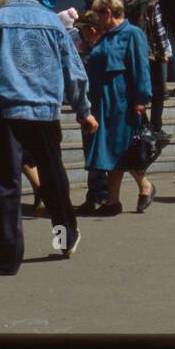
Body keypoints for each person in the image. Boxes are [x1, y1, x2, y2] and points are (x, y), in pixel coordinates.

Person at [0, 0, 94, 273]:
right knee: (54, 179)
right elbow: (73, 72)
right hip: (44, 111)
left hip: (5, 110)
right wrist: (84, 110)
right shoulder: (53, 23)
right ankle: (65, 236)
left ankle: (8, 258)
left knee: (5, 183)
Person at [85, 0, 156, 214]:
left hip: (121, 101)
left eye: (98, 14)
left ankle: (139, 188)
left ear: (107, 12)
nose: (95, 19)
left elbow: (140, 66)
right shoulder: (106, 36)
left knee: (119, 149)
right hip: (102, 100)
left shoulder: (132, 33)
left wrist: (142, 99)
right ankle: (113, 200)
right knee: (111, 150)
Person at [69, 12, 110, 214]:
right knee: (92, 150)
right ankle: (97, 193)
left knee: (96, 150)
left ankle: (100, 194)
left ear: (92, 30)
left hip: (100, 106)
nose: (80, 32)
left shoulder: (101, 49)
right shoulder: (85, 47)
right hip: (89, 106)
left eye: (83, 28)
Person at [126, 0, 173, 142]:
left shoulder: (128, 3)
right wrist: (164, 51)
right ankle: (156, 126)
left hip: (134, 52)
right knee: (159, 90)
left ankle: (142, 124)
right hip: (152, 52)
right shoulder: (153, 4)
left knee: (140, 88)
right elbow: (158, 29)